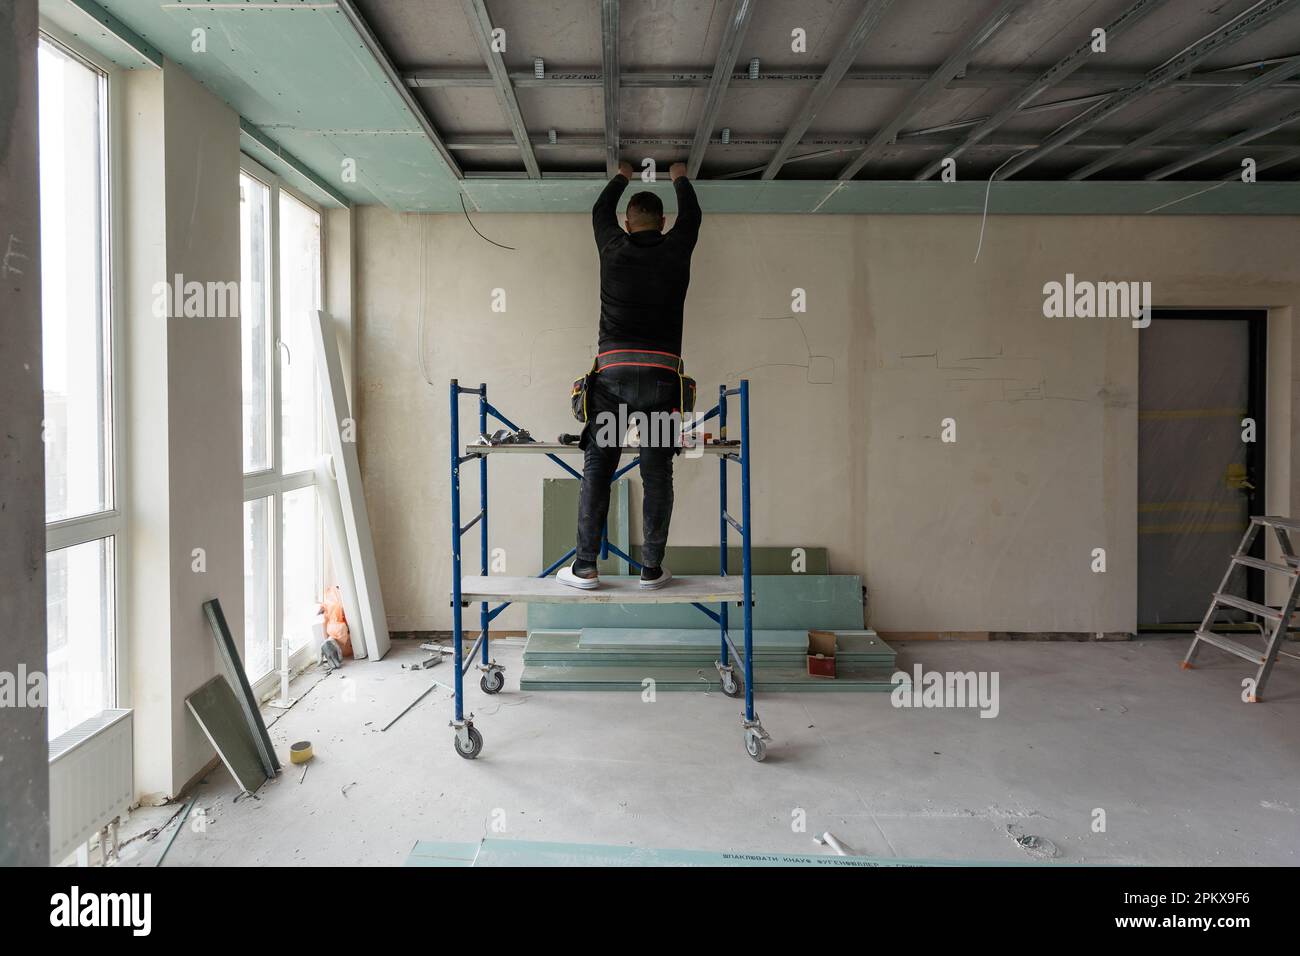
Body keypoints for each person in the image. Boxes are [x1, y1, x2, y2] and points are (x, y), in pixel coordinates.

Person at [557, 159, 702, 590]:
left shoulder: (611, 246)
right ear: (663, 222)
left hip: (614, 375)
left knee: (599, 467)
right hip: (660, 379)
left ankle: (585, 567)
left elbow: (599, 210)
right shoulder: (677, 247)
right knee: (656, 473)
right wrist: (679, 175)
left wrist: (620, 175)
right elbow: (692, 213)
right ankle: (652, 569)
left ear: (627, 221)